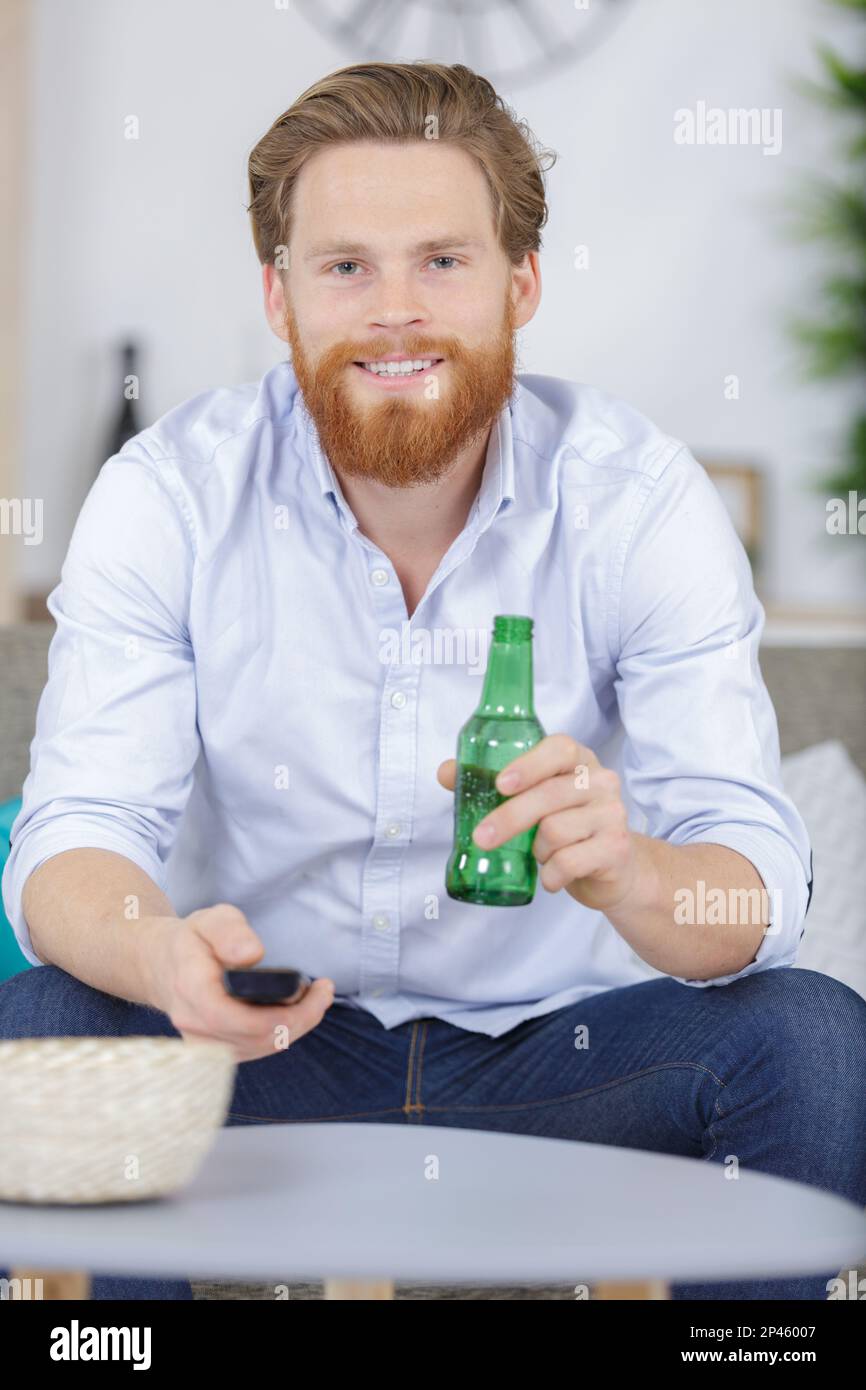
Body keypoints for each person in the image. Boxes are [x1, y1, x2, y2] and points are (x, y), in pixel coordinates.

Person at [2, 61, 864, 1302]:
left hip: (564, 1057)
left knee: (810, 1036)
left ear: (519, 285)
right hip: (263, 1042)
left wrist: (635, 872)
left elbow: (757, 891)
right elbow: (74, 836)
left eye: (442, 262)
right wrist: (162, 957)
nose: (393, 311)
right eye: (344, 265)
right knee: (46, 1018)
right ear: (278, 293)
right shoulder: (168, 496)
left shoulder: (638, 498)